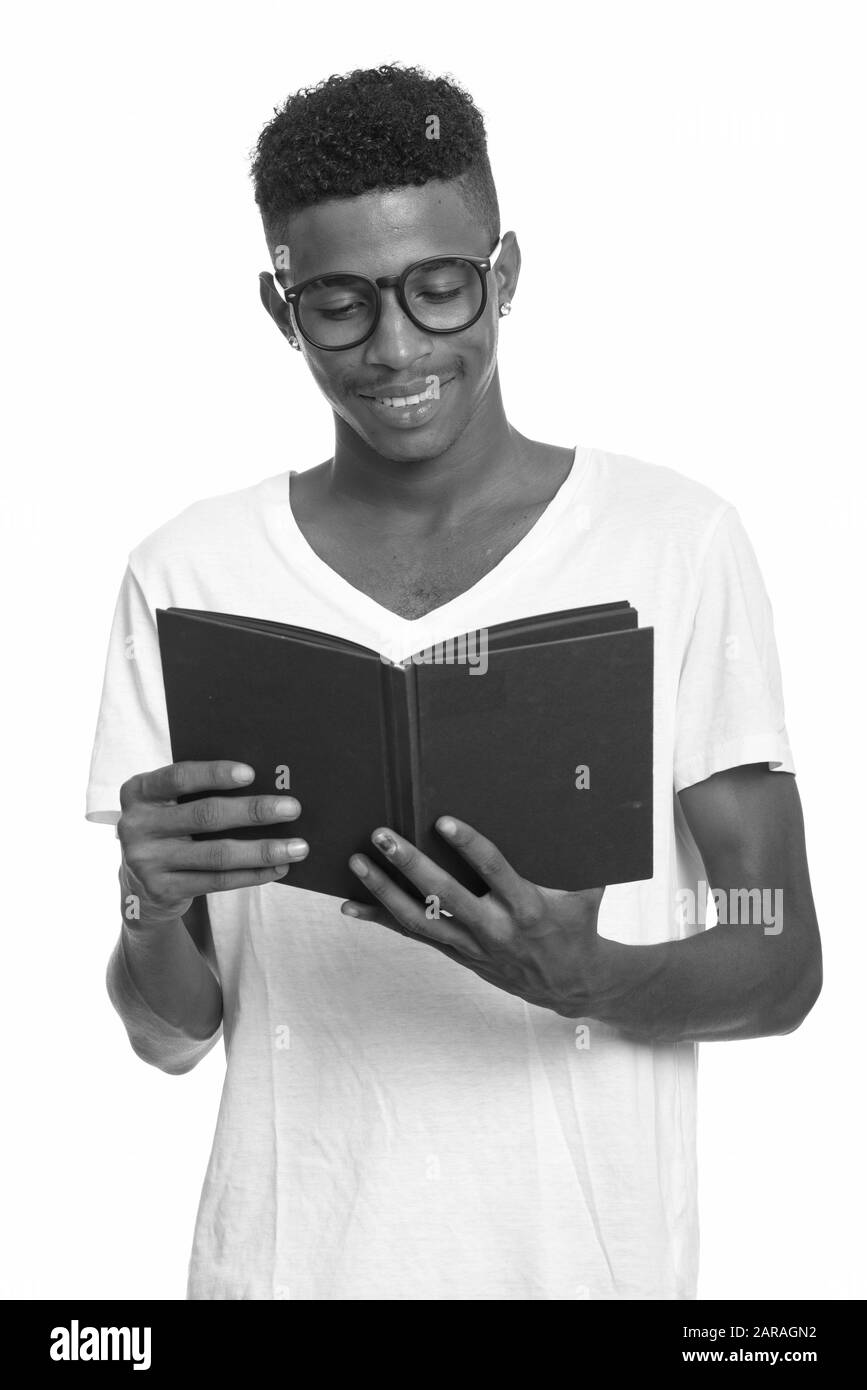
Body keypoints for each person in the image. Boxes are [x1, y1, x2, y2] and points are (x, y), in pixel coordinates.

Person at [86, 63, 822, 1301]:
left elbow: (780, 951)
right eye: (339, 304)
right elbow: (171, 1033)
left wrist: (592, 976)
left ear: (506, 274)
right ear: (281, 310)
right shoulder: (186, 576)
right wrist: (147, 910)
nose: (396, 347)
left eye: (440, 287)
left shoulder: (672, 540)